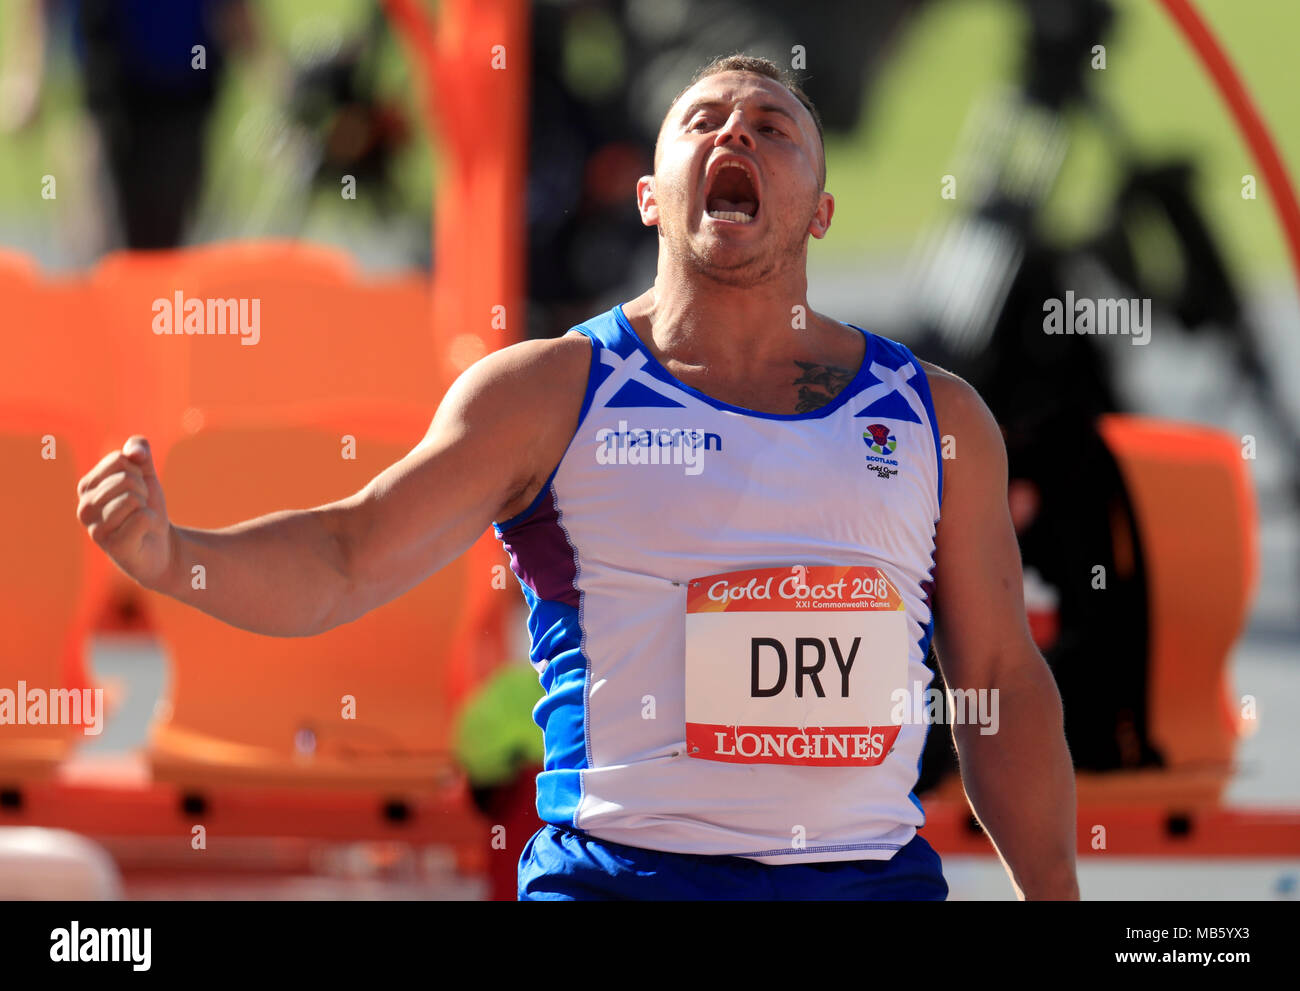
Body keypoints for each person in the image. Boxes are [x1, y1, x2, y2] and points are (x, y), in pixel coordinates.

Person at [74, 54, 1079, 901]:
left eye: (772, 127)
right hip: (621, 883)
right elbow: (345, 557)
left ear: (819, 211)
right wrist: (175, 557)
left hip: (866, 881)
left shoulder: (935, 417)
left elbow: (996, 679)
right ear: (649, 195)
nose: (734, 138)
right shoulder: (548, 394)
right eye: (704, 124)